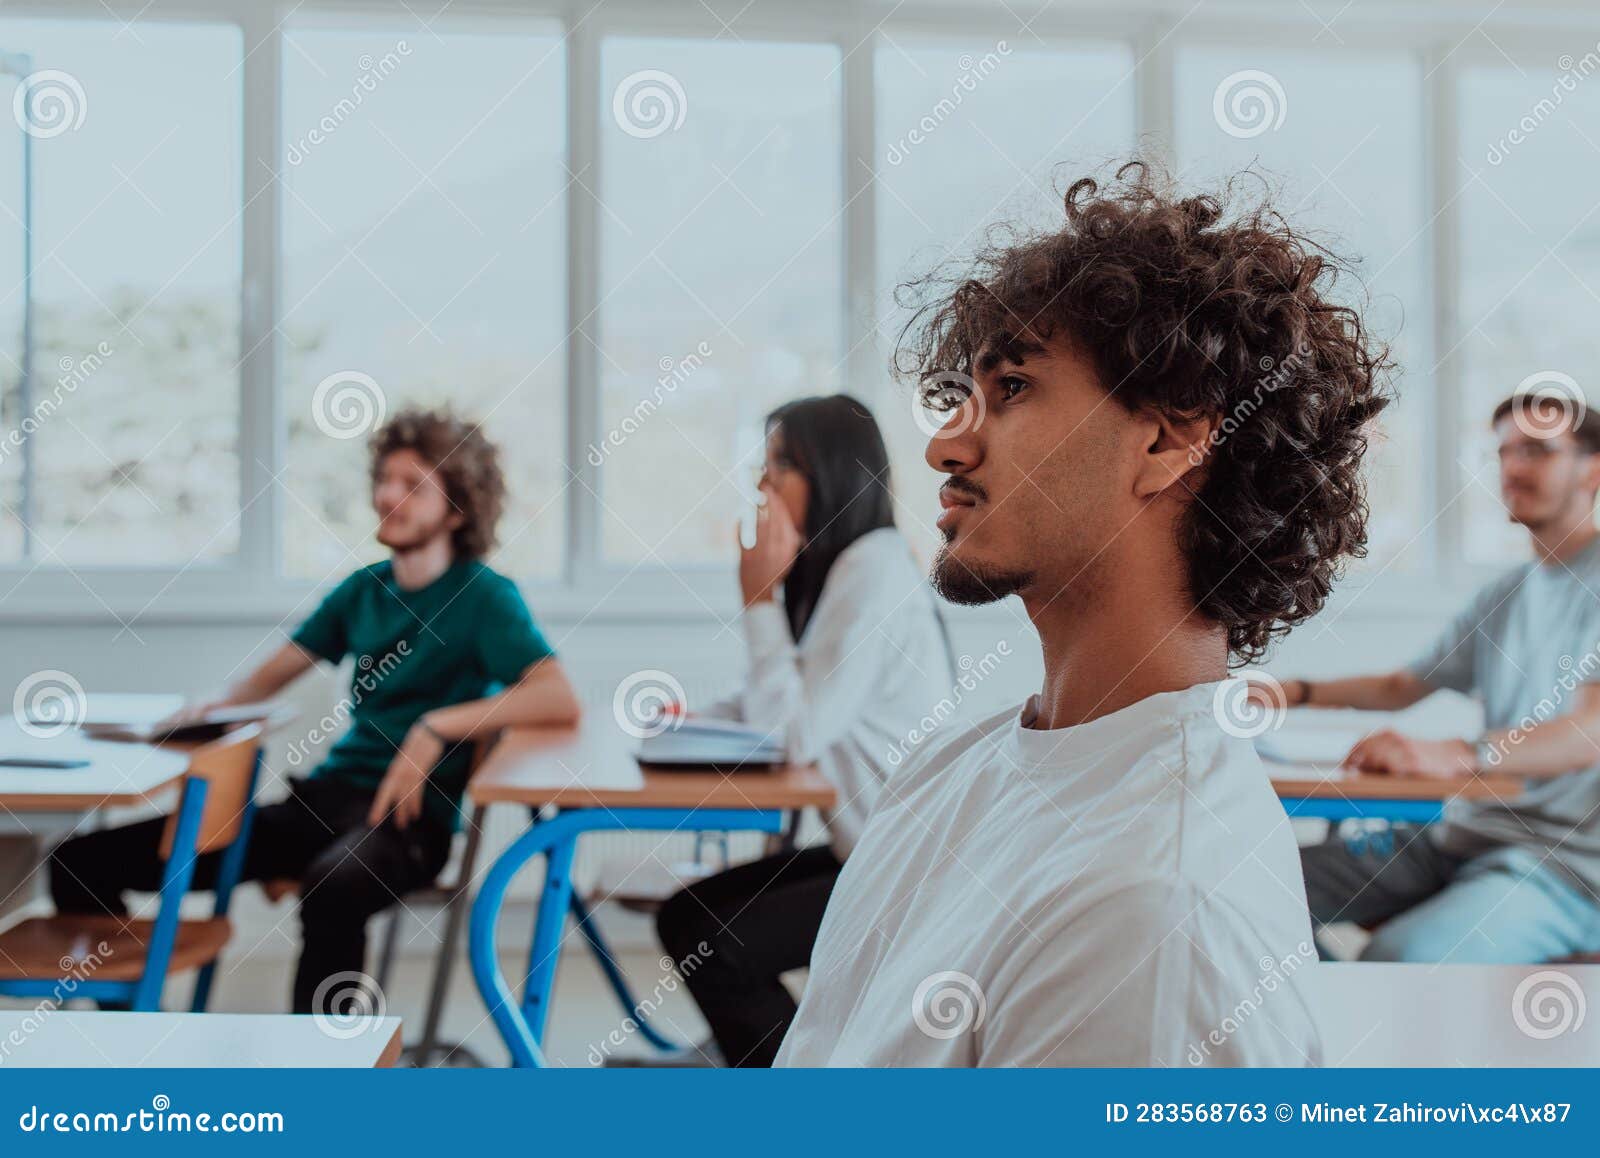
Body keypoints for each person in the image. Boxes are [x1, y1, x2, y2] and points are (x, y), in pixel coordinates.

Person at [775, 163, 1390, 1067]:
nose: (946, 444)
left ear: (1169, 438)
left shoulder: (1153, 916)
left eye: (1013, 387)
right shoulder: (956, 765)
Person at [50, 408, 581, 1014]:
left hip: (406, 821)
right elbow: (267, 678)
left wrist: (436, 727)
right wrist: (205, 709)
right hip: (324, 802)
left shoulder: (485, 597)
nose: (386, 495)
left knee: (334, 887)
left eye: (411, 486)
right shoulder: (364, 589)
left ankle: (321, 1083)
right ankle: (134, 1042)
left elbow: (557, 696)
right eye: (384, 479)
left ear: (457, 509)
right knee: (79, 861)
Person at [653, 394, 952, 1068]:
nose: (761, 484)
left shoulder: (872, 572)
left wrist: (756, 598)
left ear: (830, 473)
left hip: (903, 872)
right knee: (684, 917)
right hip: (867, 850)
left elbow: (792, 736)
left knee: (713, 937)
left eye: (779, 467)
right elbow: (790, 693)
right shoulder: (846, 567)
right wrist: (697, 722)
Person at [1276, 393, 1600, 963]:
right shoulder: (1507, 594)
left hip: (1563, 866)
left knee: (1393, 963)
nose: (1513, 468)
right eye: (1504, 452)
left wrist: (1456, 752)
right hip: (1462, 833)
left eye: (1538, 452)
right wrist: (1291, 692)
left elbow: (1589, 732)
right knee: (1247, 891)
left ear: (1593, 469)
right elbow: (1404, 687)